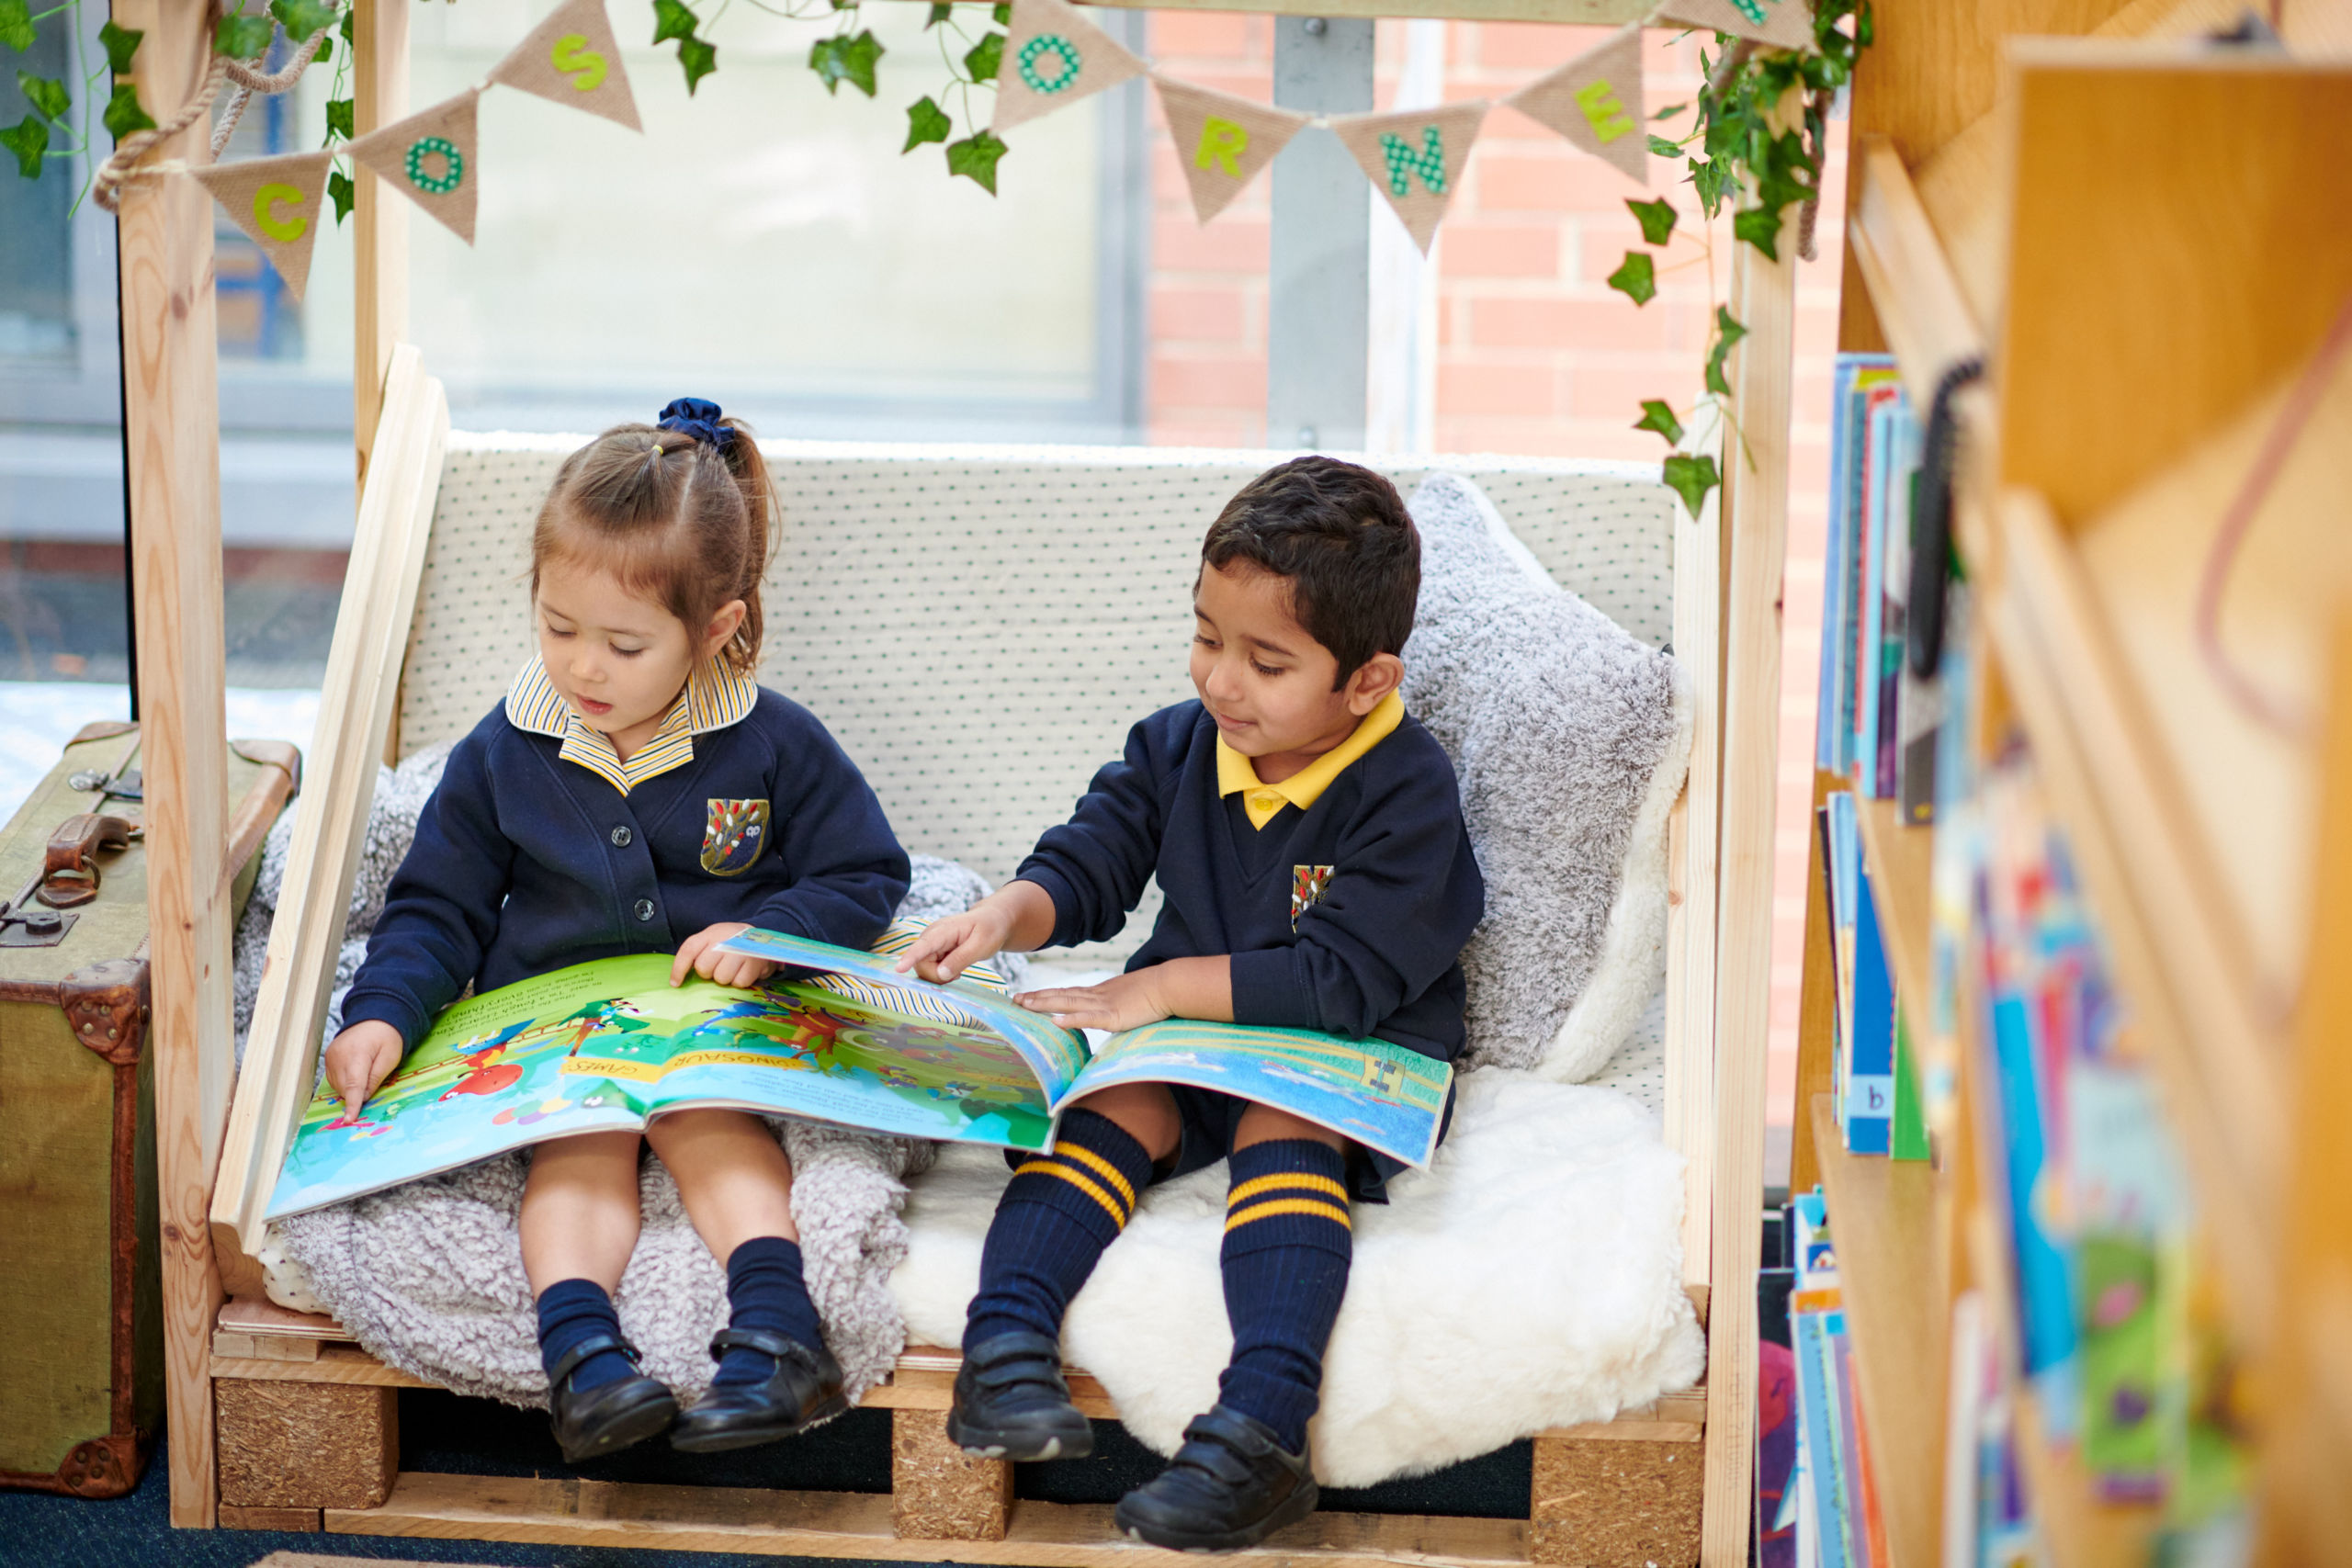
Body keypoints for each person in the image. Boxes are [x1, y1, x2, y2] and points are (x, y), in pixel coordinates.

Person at [899, 456, 1485, 1551]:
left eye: (1267, 662)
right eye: (1208, 637)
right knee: (1109, 1110)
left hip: (1344, 1045)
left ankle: (1261, 1431)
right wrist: (1004, 916)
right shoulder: (1179, 744)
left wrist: (1158, 987)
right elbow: (1092, 859)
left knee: (1281, 1130)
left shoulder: (1408, 790)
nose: (1221, 681)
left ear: (1365, 682)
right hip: (1193, 1039)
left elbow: (1339, 981)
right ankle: (1003, 1349)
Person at [322, 399, 910, 1464]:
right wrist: (383, 1013)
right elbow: (436, 908)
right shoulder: (502, 752)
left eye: (624, 644)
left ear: (715, 630)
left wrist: (772, 930)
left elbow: (866, 874)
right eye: (557, 629)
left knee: (706, 1123)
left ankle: (779, 1338)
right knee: (578, 1157)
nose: (584, 667)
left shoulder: (773, 743)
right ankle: (585, 1365)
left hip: (710, 1024)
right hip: (563, 1043)